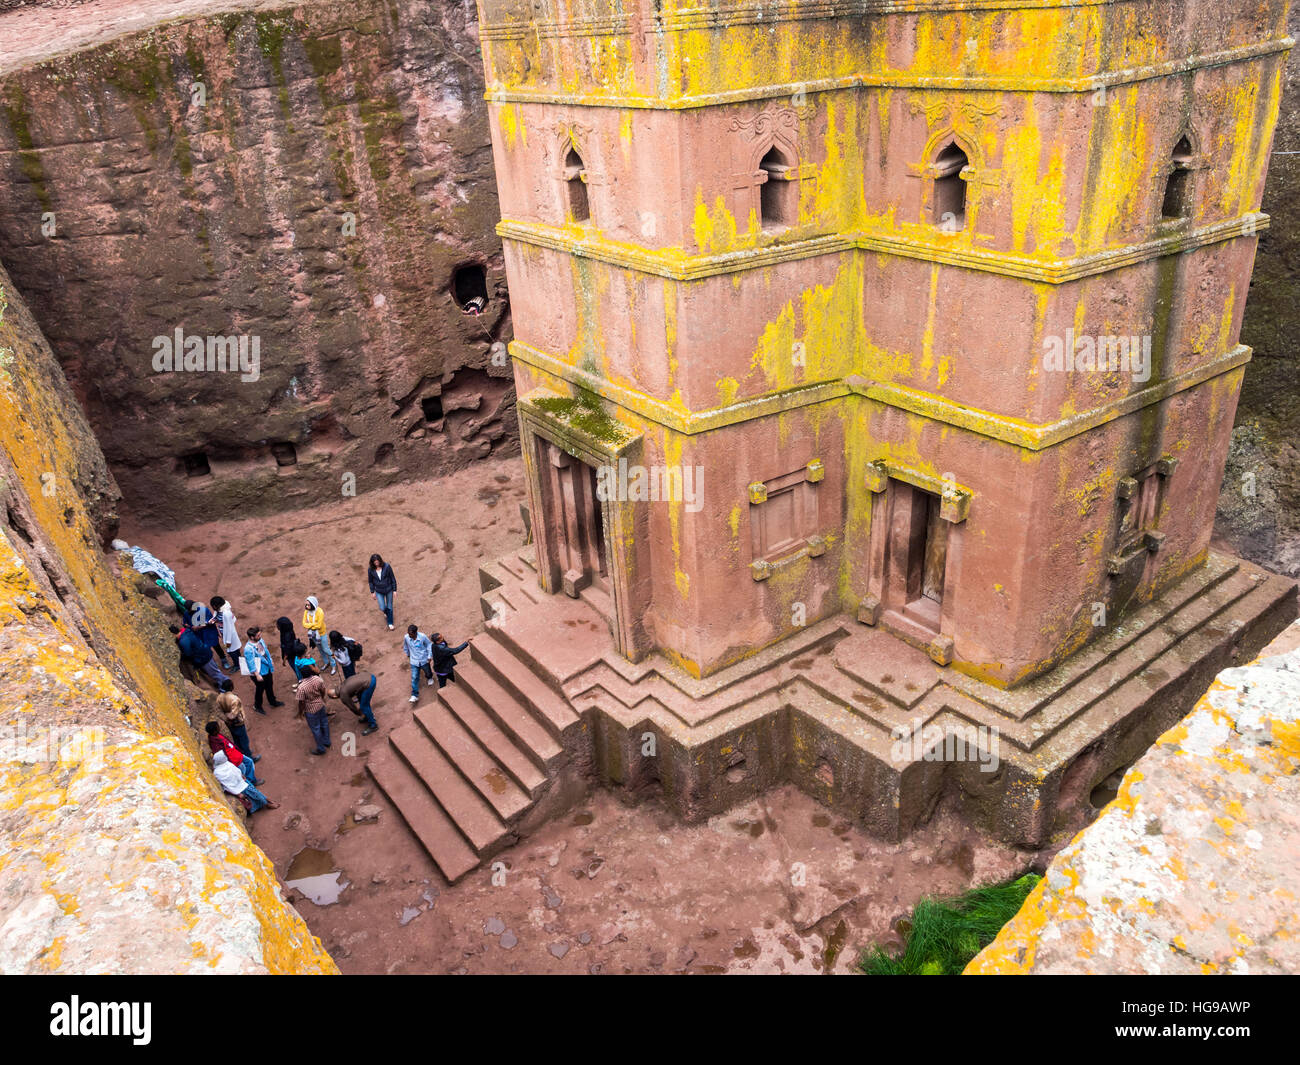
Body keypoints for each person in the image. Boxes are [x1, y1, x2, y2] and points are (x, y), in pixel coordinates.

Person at [212, 750, 278, 813]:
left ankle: (266, 800)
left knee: (255, 792)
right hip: (236, 788)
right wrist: (238, 794)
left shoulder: (226, 764)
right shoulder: (217, 772)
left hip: (241, 782)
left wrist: (241, 775)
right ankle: (267, 803)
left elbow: (236, 770)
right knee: (255, 794)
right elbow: (226, 784)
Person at [205, 718, 262, 787]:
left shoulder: (217, 735)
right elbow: (222, 755)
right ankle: (252, 782)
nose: (219, 727)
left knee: (249, 763)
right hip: (233, 760)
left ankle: (251, 781)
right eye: (217, 727)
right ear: (214, 731)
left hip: (237, 755)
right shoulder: (215, 743)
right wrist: (230, 763)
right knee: (243, 771)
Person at [212, 687, 261, 765]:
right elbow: (233, 715)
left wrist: (225, 719)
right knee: (244, 741)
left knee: (236, 740)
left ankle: (242, 754)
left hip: (229, 724)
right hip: (238, 723)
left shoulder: (219, 697)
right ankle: (249, 757)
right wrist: (229, 717)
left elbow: (218, 711)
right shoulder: (235, 699)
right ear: (231, 687)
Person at [171, 623, 229, 689]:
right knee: (214, 671)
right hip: (205, 653)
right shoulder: (186, 631)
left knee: (215, 673)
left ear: (173, 634)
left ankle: (226, 685)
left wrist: (181, 655)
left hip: (203, 658)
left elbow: (188, 653)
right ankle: (222, 683)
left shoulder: (183, 641)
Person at [242, 626, 283, 713]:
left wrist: (270, 660)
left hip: (266, 668)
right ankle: (257, 706)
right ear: (252, 637)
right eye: (258, 635)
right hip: (259, 673)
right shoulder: (248, 649)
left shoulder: (260, 640)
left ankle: (272, 701)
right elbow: (250, 663)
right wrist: (257, 675)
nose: (260, 636)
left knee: (269, 685)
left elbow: (265, 651)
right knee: (260, 689)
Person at [296, 665, 331, 755]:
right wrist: (322, 698)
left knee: (316, 729)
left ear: (301, 674)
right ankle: (327, 741)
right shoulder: (317, 679)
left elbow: (301, 702)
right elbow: (323, 690)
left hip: (310, 710)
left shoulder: (301, 687)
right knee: (324, 722)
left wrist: (300, 712)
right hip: (320, 705)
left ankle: (321, 748)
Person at [190, 599, 231, 669]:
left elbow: (212, 621)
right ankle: (213, 664)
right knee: (207, 650)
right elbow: (189, 625)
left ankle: (224, 660)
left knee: (217, 647)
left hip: (210, 633)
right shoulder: (188, 614)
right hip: (200, 636)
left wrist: (216, 631)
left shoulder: (204, 610)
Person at [302, 597, 335, 674]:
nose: (306, 607)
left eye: (308, 605)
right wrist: (313, 625)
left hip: (321, 633)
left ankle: (333, 664)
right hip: (313, 635)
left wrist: (309, 625)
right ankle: (326, 662)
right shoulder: (306, 612)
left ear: (313, 605)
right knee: (320, 649)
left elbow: (319, 626)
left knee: (326, 649)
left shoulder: (320, 612)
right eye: (306, 605)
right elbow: (304, 624)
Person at [404, 625, 434, 703]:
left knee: (428, 672)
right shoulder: (406, 637)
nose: (409, 635)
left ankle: (429, 677)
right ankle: (414, 695)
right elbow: (406, 646)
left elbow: (429, 645)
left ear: (415, 633)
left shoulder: (422, 637)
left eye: (410, 634)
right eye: (408, 633)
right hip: (414, 661)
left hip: (424, 659)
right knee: (414, 677)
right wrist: (407, 653)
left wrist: (429, 656)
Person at [367, 554, 397, 630]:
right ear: (372, 562)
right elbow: (370, 581)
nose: (377, 563)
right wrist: (372, 592)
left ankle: (390, 623)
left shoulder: (387, 566)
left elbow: (392, 578)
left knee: (389, 606)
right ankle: (385, 612)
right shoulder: (370, 569)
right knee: (382, 607)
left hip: (389, 589)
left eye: (378, 562)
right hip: (379, 591)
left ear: (380, 560)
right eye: (375, 562)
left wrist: (394, 590)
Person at [212, 596, 241, 668]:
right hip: (225, 633)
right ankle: (240, 660)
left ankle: (237, 665)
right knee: (234, 648)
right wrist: (214, 620)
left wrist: (228, 641)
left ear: (216, 606)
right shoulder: (220, 610)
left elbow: (229, 629)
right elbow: (217, 616)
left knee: (232, 651)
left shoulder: (226, 614)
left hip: (229, 635)